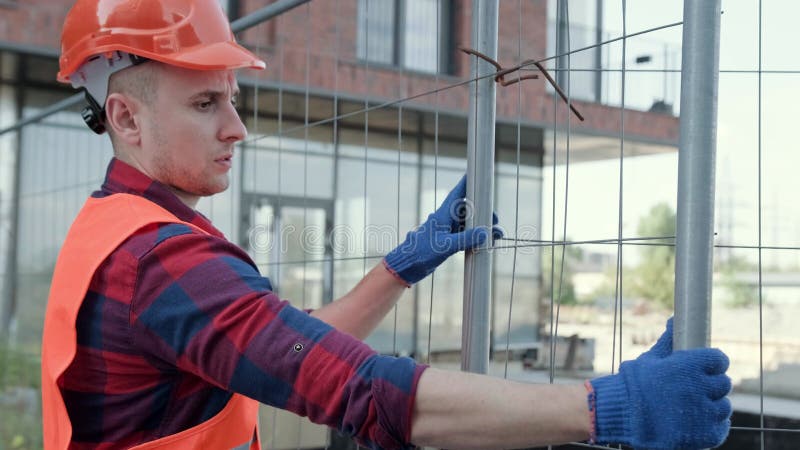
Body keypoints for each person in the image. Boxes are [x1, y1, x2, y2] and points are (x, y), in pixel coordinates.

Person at [42, 1, 733, 449]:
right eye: (204, 104)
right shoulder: (163, 262)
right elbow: (358, 389)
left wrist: (406, 263)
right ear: (127, 118)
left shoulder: (115, 226)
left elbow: (293, 348)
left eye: (233, 99)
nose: (237, 127)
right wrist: (606, 406)